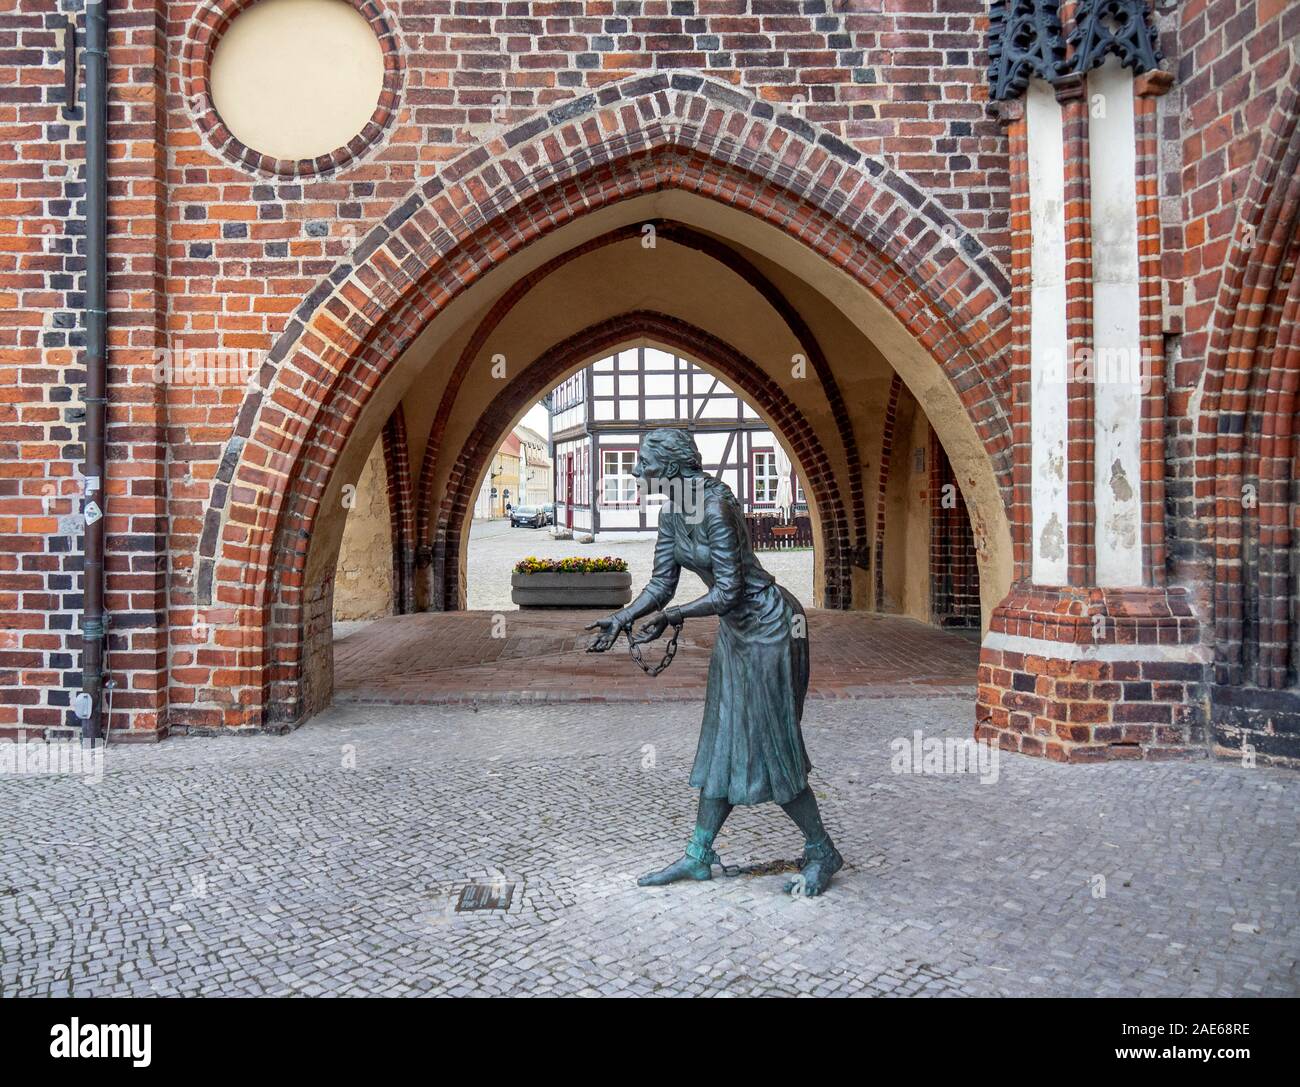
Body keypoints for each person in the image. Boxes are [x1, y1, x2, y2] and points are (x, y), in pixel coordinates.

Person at [586, 427, 843, 896]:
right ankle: (699, 854)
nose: (636, 471)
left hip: (771, 627)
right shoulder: (673, 515)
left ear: (671, 469)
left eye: (643, 463)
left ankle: (822, 849)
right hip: (737, 633)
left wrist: (675, 617)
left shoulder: (716, 508)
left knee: (770, 742)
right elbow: (662, 584)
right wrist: (620, 618)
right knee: (723, 738)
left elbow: (729, 591)